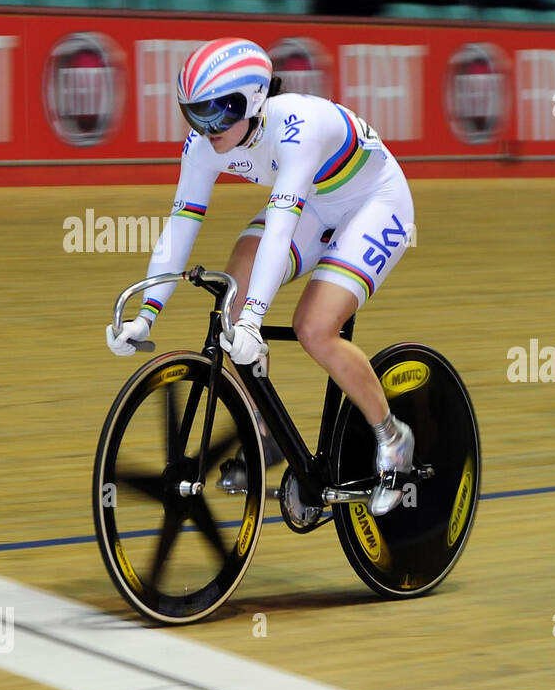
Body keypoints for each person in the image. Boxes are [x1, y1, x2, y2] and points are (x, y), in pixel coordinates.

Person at [106, 37, 415, 516]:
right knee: (229, 306)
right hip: (316, 200)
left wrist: (256, 318)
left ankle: (392, 436)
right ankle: (265, 435)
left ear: (251, 101)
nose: (207, 130)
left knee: (313, 328)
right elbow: (180, 226)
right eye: (194, 115)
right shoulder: (204, 146)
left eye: (216, 114)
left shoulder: (298, 128)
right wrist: (147, 315)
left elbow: (280, 225)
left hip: (374, 202)